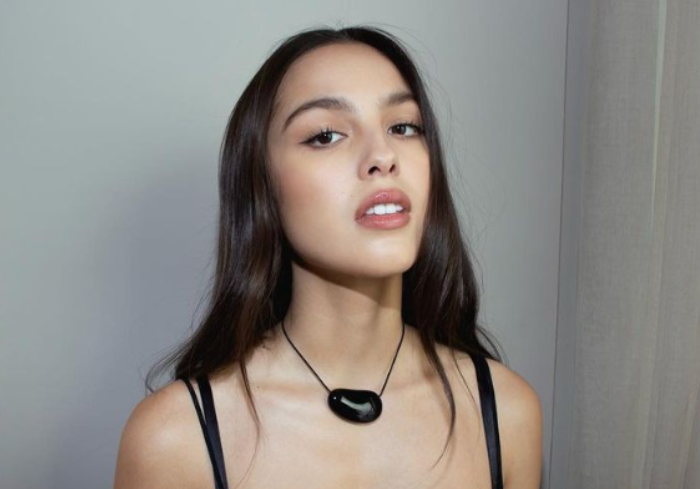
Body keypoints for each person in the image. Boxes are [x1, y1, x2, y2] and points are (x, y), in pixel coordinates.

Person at [113, 25, 542, 489]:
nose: (383, 155)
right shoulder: (176, 439)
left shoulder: (506, 413)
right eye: (325, 135)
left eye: (403, 127)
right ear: (262, 187)